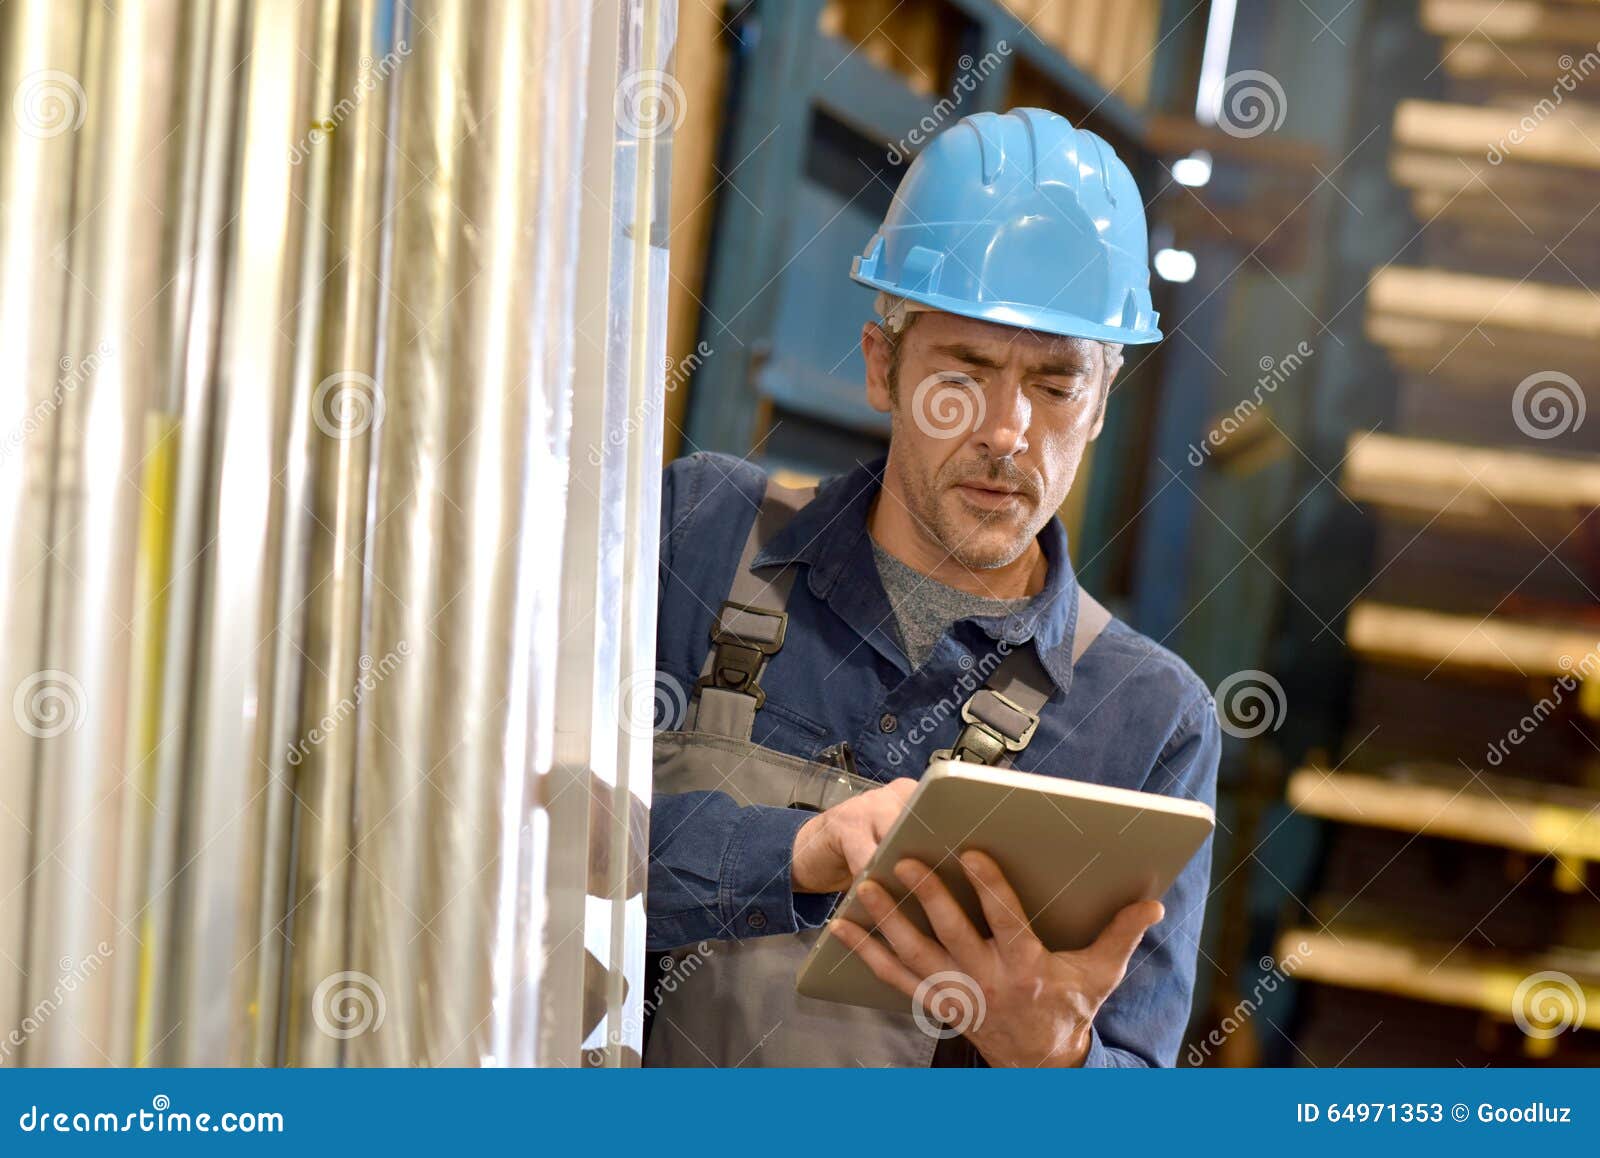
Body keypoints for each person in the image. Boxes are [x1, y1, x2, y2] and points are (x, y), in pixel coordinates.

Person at [643, 107, 1219, 1067]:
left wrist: (1055, 1062)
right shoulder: (703, 535)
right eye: (968, 368)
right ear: (883, 365)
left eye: (1055, 382)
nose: (1007, 431)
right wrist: (792, 855)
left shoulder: (1148, 718)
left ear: (1101, 404)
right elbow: (528, 837)